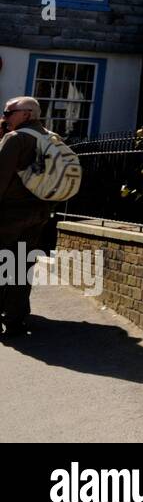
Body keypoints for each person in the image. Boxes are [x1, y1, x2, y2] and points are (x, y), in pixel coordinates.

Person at [0, 96, 56, 338]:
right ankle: (16, 321)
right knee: (22, 267)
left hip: (9, 214)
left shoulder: (16, 139)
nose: (5, 117)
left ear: (27, 114)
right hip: (39, 213)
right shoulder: (53, 139)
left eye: (9, 112)